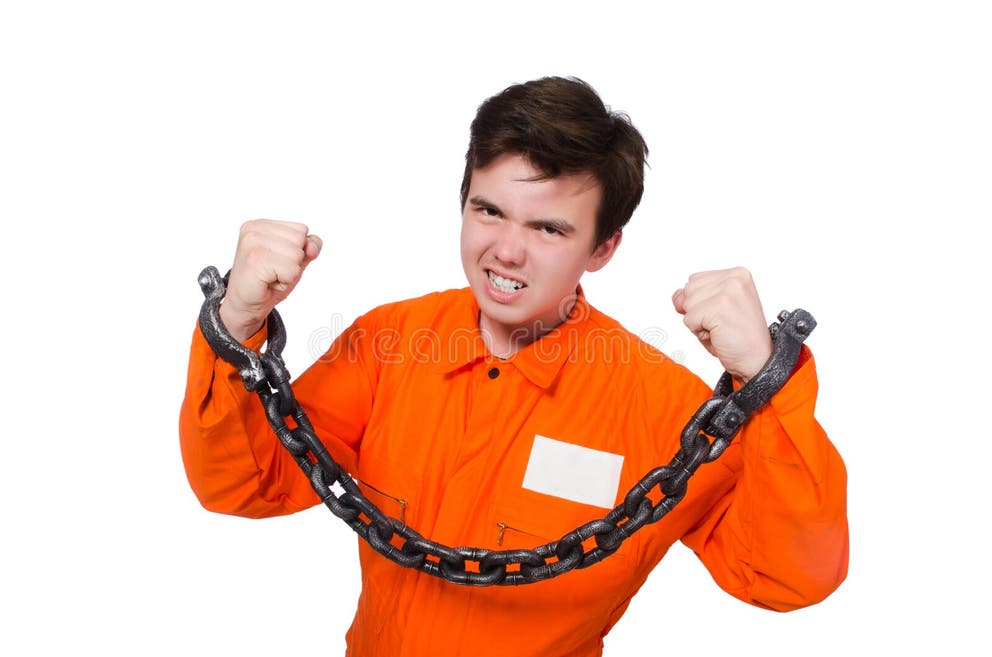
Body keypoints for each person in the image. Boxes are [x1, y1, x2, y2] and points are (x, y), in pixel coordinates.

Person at [180, 76, 848, 657]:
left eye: (548, 229)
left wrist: (767, 378)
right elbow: (245, 483)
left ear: (603, 246)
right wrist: (235, 325)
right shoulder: (388, 344)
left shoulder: (663, 408)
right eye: (488, 210)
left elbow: (789, 575)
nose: (506, 251)